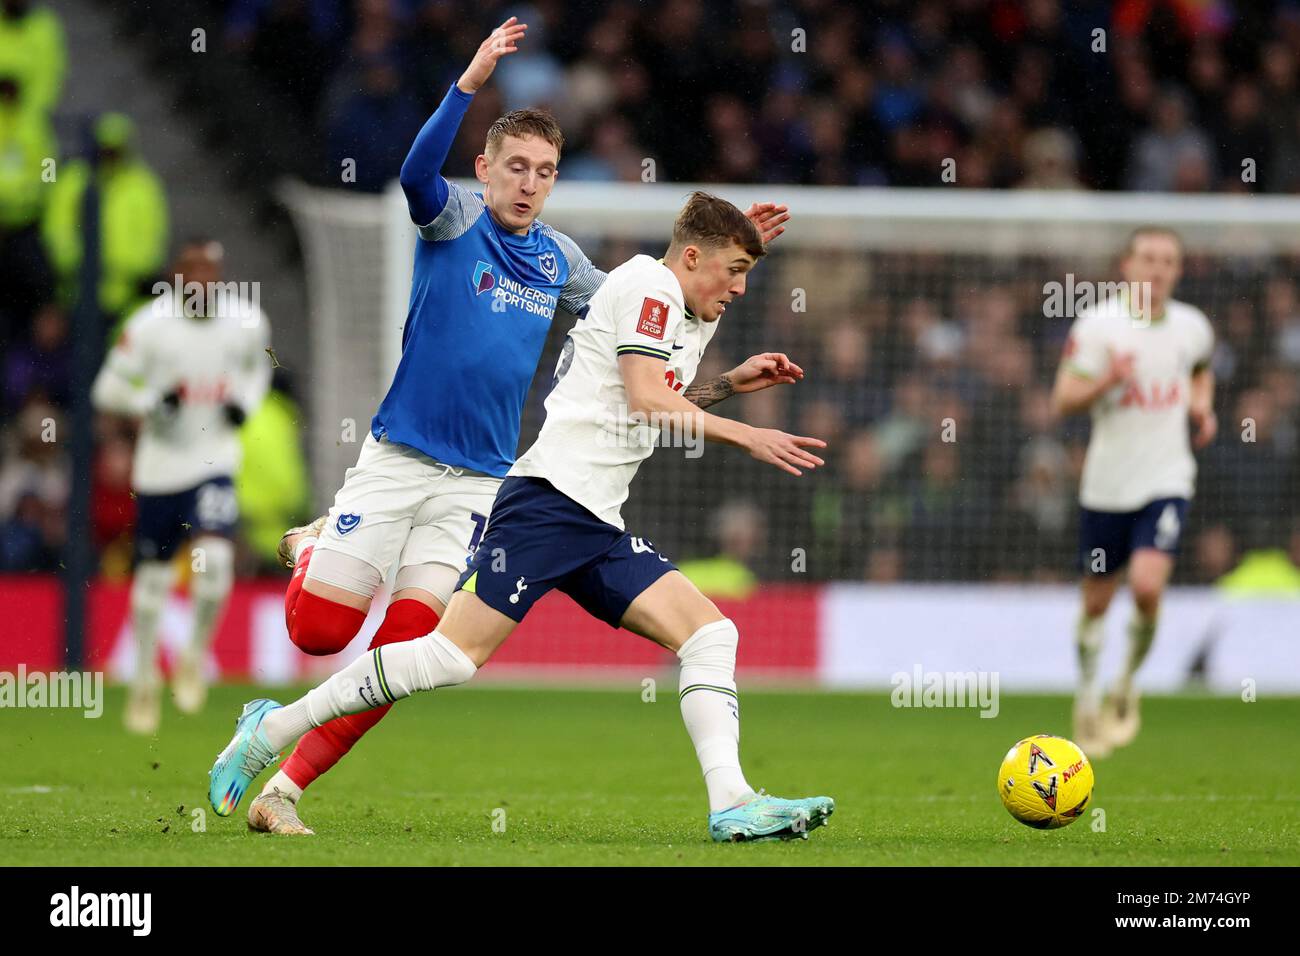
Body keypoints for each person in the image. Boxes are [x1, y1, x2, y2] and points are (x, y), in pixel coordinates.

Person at [249, 17, 790, 835]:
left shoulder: (562, 263)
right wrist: (467, 81)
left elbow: (639, 338)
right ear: (485, 170)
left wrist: (721, 254)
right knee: (321, 631)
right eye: (516, 168)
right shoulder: (451, 220)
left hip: (481, 479)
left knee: (415, 650)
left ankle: (282, 788)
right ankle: (315, 547)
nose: (530, 184)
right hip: (403, 457)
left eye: (545, 171)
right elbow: (412, 171)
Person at [211, 192, 834, 843]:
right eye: (733, 270)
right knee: (448, 658)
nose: (739, 287)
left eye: (747, 274)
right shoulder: (648, 284)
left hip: (592, 523)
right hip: (548, 506)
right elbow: (650, 401)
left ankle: (731, 801)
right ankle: (272, 728)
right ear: (694, 256)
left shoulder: (682, 307)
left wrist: (730, 381)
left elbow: (651, 400)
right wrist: (749, 434)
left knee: (711, 636)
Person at [91, 238, 270, 733]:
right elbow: (106, 387)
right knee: (151, 583)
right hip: (159, 468)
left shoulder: (247, 322)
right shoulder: (148, 326)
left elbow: (259, 370)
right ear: (175, 276)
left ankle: (192, 656)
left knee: (214, 563)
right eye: (192, 272)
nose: (202, 282)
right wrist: (149, 401)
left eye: (210, 272)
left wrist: (245, 403)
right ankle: (146, 677)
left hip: (214, 460)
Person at [1051, 226, 1216, 758]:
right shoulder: (1100, 326)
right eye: (1148, 257)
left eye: (1168, 260)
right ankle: (1088, 693)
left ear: (1178, 270)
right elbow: (1063, 400)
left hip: (1167, 479)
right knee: (1096, 602)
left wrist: (1201, 407)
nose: (1158, 268)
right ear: (1127, 265)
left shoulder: (1193, 326)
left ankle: (1125, 682)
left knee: (1147, 587)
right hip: (1106, 485)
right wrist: (1107, 381)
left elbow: (1201, 371)